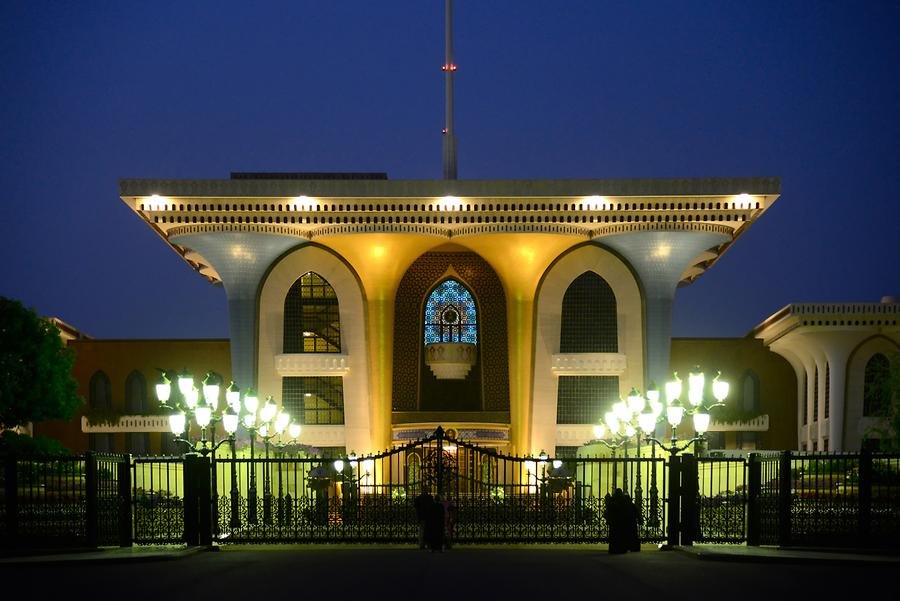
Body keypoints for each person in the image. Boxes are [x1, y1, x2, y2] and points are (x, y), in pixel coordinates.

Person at [603, 488, 629, 554]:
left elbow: (608, 508)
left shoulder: (613, 499)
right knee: (621, 536)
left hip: (614, 521)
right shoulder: (624, 500)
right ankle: (622, 549)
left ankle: (613, 549)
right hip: (621, 521)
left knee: (613, 536)